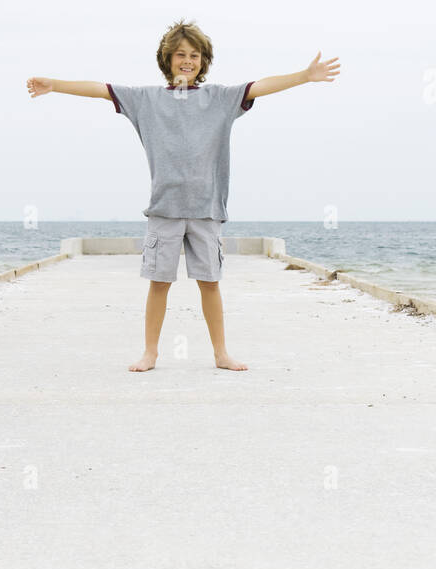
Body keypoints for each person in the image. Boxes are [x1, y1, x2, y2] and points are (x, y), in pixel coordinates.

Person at [27, 20, 340, 372]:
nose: (187, 61)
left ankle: (221, 354)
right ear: (168, 59)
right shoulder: (145, 99)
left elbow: (261, 86)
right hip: (165, 209)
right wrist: (54, 85)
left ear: (203, 61)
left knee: (210, 283)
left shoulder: (220, 98)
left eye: (194, 55)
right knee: (159, 284)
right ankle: (150, 353)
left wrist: (303, 75)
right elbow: (101, 89)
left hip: (207, 210)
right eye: (180, 54)